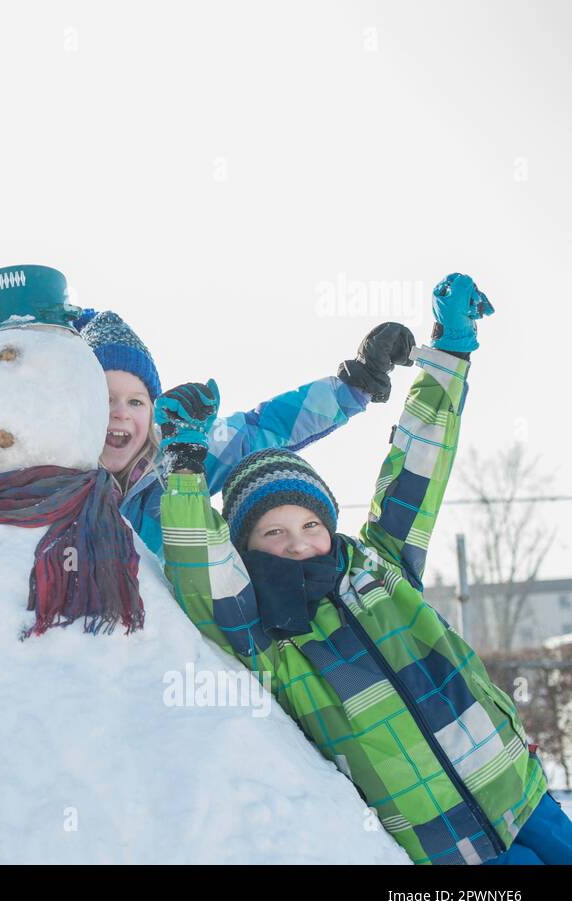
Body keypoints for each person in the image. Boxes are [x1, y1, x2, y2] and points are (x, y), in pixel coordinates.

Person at [157, 273, 569, 864]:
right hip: (441, 847)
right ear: (245, 550)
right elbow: (200, 570)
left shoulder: (381, 564)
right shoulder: (268, 635)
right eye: (273, 533)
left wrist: (449, 351)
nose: (298, 543)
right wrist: (184, 464)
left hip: (522, 792)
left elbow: (417, 471)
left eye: (310, 526)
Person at [0, 267, 412, 562]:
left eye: (136, 402)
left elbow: (263, 427)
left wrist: (353, 383)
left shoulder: (176, 461)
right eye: (104, 399)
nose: (120, 415)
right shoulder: (48, 477)